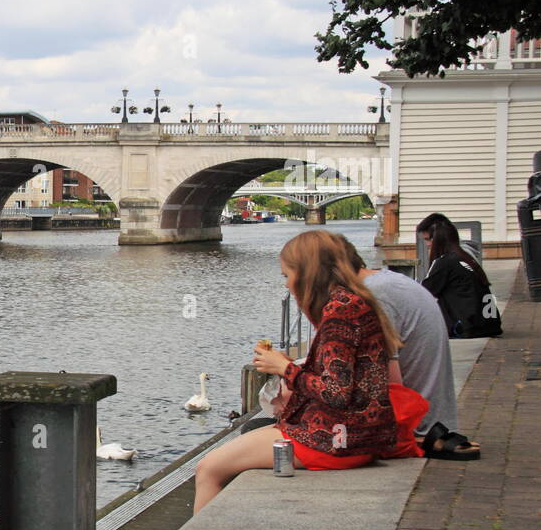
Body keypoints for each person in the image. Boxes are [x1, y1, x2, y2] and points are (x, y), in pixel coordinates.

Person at [194, 230, 426, 513]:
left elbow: (337, 393)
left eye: (286, 275)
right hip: (358, 436)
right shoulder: (353, 303)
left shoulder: (341, 312)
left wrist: (284, 368)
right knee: (244, 440)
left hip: (335, 441)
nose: (287, 284)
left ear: (306, 274)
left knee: (208, 468)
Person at [334, 234, 479, 460]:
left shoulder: (373, 295)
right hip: (432, 419)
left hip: (415, 428)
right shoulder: (387, 281)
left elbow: (389, 382)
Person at [416, 213, 502, 338]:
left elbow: (423, 293)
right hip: (489, 324)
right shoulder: (467, 257)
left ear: (437, 239)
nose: (427, 245)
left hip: (467, 327)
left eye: (427, 239)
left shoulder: (444, 262)